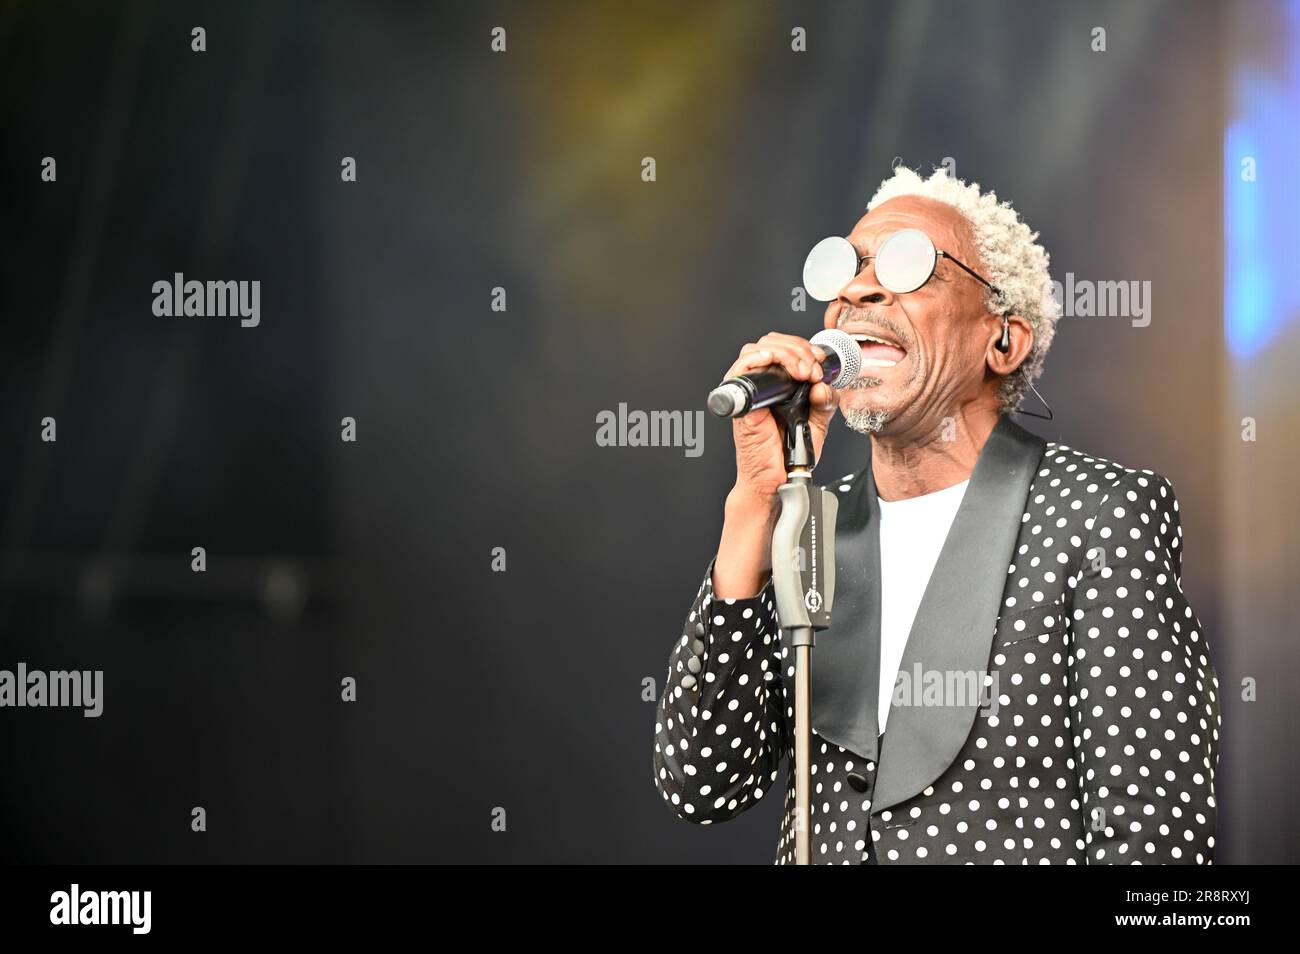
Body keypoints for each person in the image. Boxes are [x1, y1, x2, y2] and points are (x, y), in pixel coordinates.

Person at [651, 166, 1221, 865]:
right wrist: (755, 508)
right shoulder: (810, 528)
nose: (858, 289)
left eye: (908, 264)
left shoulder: (1096, 516)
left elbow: (1157, 841)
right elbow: (703, 782)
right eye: (847, 269)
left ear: (1002, 341)